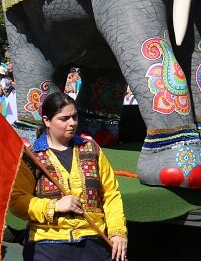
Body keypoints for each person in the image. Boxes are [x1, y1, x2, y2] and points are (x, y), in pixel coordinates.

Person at [9, 92, 128, 261]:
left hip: (93, 239)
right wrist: (54, 205)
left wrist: (118, 232)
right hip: (48, 244)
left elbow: (110, 194)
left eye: (74, 117)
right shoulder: (32, 156)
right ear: (46, 121)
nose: (72, 123)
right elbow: (17, 201)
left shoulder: (91, 149)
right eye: (64, 119)